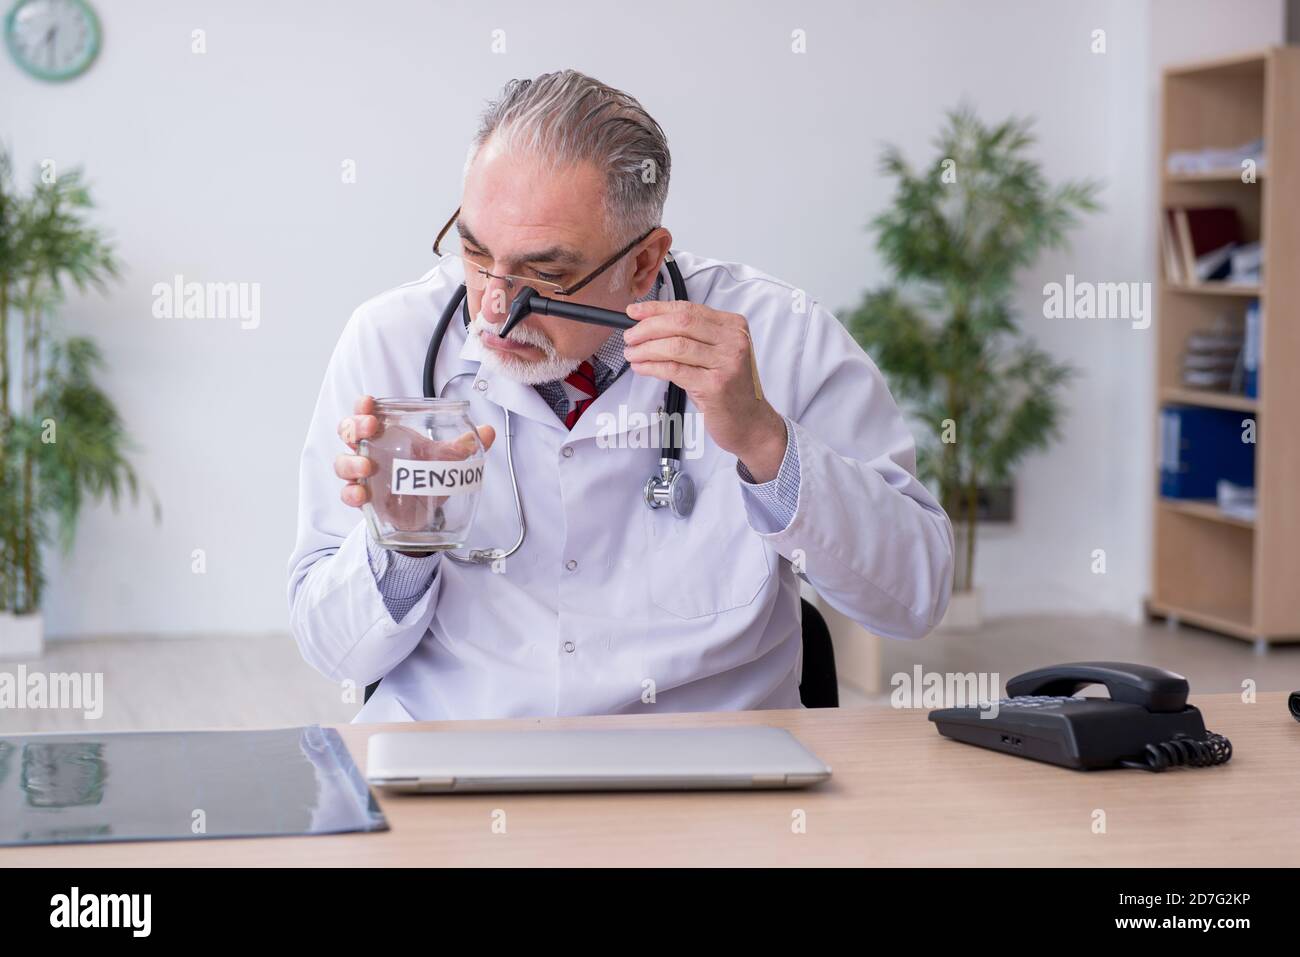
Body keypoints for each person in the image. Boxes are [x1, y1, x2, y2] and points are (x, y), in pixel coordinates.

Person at [287, 69, 953, 722]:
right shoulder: (391, 342)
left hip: (705, 772)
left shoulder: (784, 337)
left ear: (642, 261)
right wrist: (404, 539)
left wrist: (765, 442)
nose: (493, 306)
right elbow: (333, 649)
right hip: (457, 758)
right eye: (474, 252)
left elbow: (914, 596)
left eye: (543, 275)